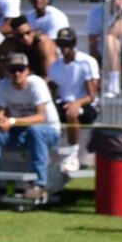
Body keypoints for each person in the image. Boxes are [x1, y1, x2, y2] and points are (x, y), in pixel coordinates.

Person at [0, 52, 59, 200]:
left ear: (27, 70)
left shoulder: (37, 84)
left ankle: (40, 184)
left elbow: (40, 117)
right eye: (13, 70)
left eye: (20, 69)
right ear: (7, 72)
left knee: (35, 131)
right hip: (20, 130)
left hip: (48, 131)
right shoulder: (4, 85)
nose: (17, 73)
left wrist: (11, 121)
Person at [48, 28, 99, 173]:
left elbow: (92, 96)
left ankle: (73, 153)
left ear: (74, 44)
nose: (64, 48)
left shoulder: (86, 62)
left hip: (86, 105)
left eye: (67, 44)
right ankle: (48, 152)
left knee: (72, 112)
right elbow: (53, 89)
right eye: (61, 44)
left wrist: (77, 103)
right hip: (63, 103)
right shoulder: (55, 66)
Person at [0, 17, 57, 81]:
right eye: (20, 36)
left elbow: (50, 75)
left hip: (44, 77)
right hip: (23, 76)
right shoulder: (11, 43)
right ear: (14, 36)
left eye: (28, 33)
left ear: (32, 31)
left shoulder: (43, 43)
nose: (25, 38)